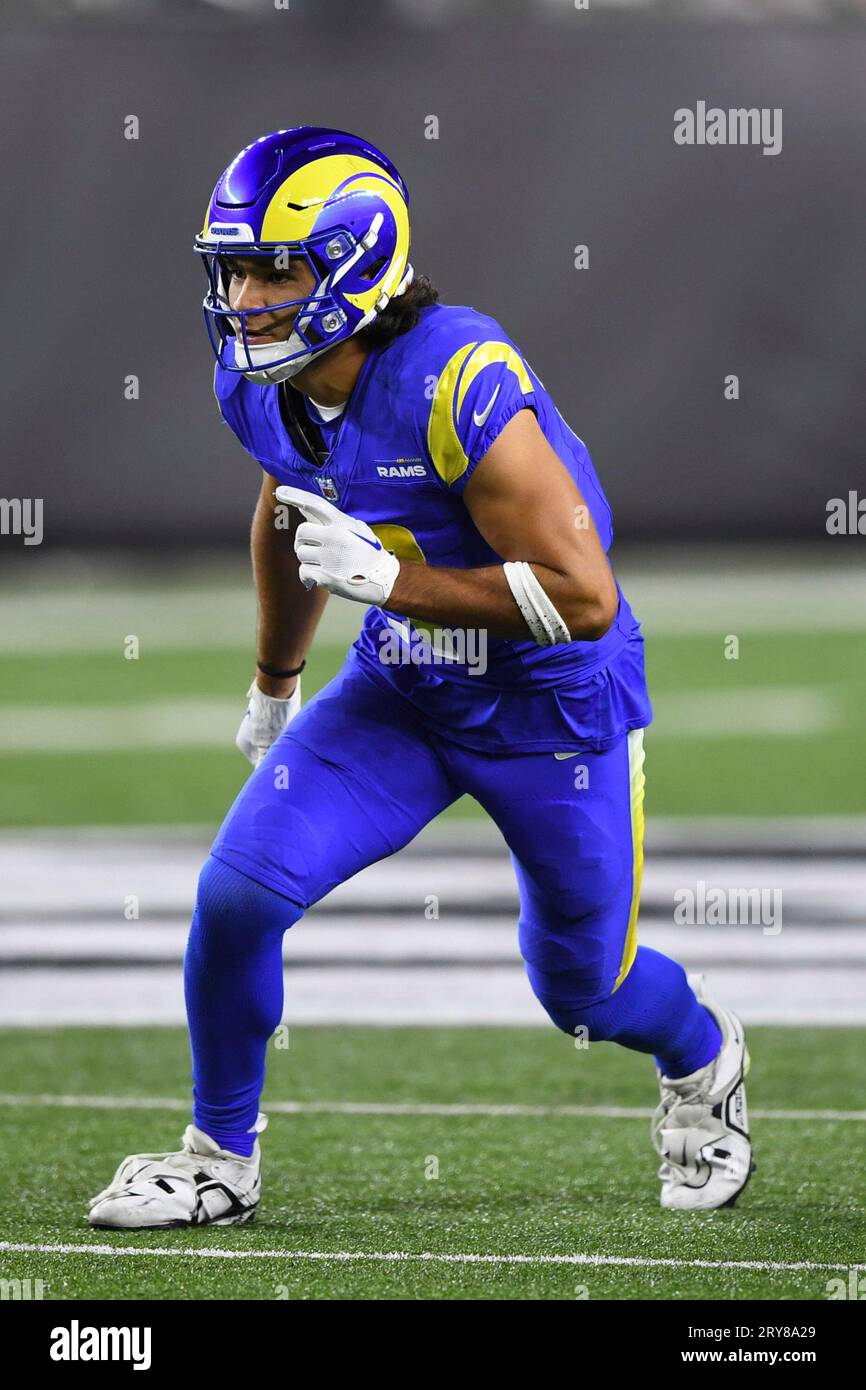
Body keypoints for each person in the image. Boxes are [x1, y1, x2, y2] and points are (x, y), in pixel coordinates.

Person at [88, 126, 753, 1230]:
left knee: (581, 992)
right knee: (237, 896)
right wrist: (274, 679)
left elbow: (582, 596)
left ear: (353, 266)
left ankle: (701, 1057)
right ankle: (219, 1158)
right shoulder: (265, 386)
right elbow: (286, 508)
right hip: (402, 690)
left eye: (273, 268)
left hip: (551, 705)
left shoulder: (456, 377)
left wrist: (393, 584)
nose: (244, 295)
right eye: (234, 268)